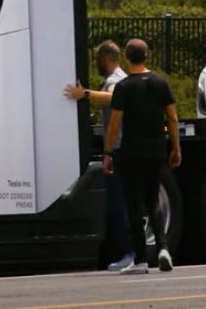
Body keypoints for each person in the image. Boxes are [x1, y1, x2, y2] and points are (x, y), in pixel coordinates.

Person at [104, 39, 181, 275]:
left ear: (127, 57)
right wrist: (176, 148)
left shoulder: (124, 87)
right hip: (156, 151)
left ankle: (140, 260)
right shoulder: (160, 83)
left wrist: (108, 153)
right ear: (147, 55)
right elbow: (173, 118)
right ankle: (163, 248)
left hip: (131, 153)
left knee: (134, 204)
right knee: (153, 200)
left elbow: (115, 123)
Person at [63, 41, 130, 271]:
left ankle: (129, 254)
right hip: (121, 148)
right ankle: (130, 254)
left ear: (107, 58)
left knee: (119, 207)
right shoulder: (121, 78)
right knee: (121, 206)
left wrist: (84, 94)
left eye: (97, 60)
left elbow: (113, 98)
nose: (96, 64)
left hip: (119, 149)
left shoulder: (115, 81)